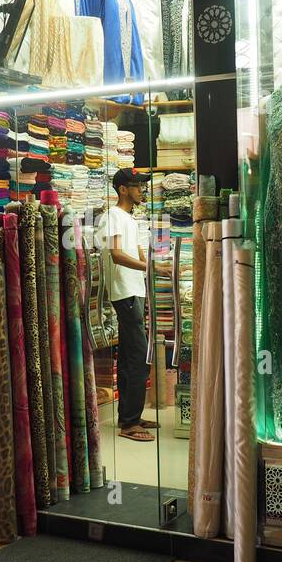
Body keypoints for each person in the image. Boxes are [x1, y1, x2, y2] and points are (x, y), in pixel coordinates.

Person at [102, 169, 157, 442]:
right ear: (123, 189)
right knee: (139, 356)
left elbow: (136, 252)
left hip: (135, 289)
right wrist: (148, 266)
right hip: (123, 291)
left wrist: (151, 268)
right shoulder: (111, 216)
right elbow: (115, 254)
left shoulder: (132, 220)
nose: (141, 191)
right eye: (136, 186)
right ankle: (130, 423)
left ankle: (129, 415)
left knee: (127, 356)